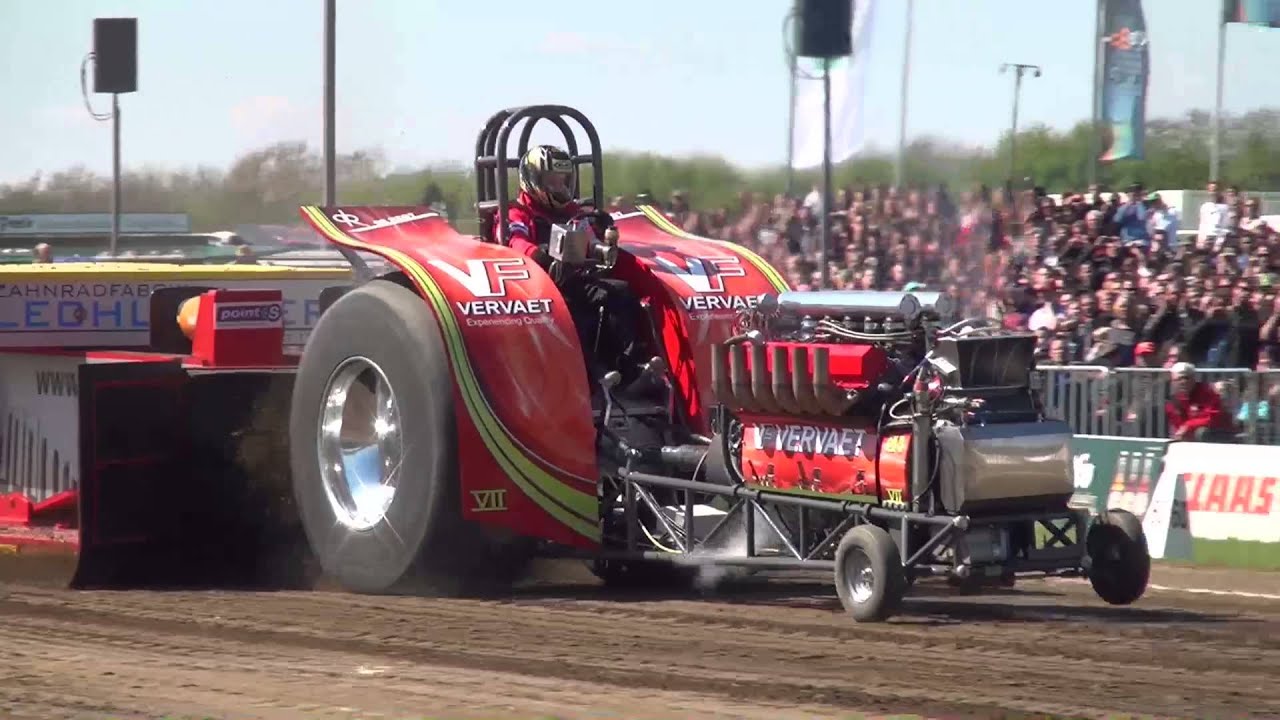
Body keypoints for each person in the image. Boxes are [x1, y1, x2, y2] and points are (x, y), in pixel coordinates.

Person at [496, 144, 647, 386]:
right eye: (552, 181)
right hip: (535, 285)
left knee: (620, 293)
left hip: (574, 278)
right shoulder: (517, 212)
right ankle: (592, 372)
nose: (559, 187)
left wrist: (602, 239)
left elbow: (590, 242)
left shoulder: (573, 212)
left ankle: (629, 367)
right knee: (567, 309)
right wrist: (541, 257)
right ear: (534, 180)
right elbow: (515, 240)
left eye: (563, 180)